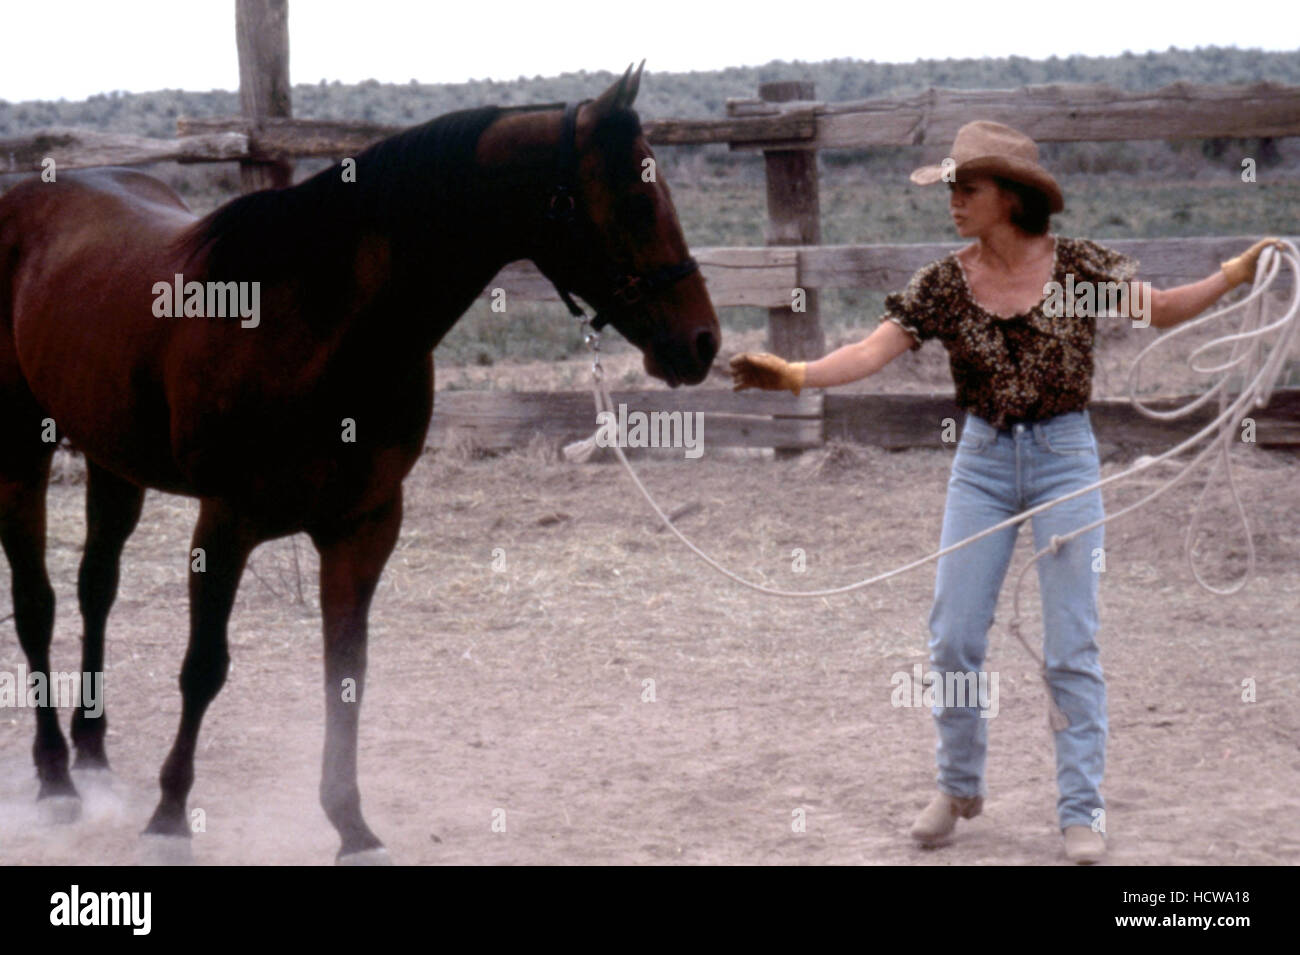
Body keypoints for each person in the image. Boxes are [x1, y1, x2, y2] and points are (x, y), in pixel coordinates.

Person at [730, 119, 1282, 864]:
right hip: (983, 462)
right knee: (954, 636)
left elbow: (1165, 307)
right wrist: (793, 375)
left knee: (1070, 645)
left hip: (1064, 458)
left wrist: (1239, 271)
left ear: (1011, 195)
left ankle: (1081, 808)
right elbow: (870, 350)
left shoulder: (1079, 267)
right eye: (951, 188)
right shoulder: (945, 284)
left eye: (968, 187)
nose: (954, 200)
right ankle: (958, 786)